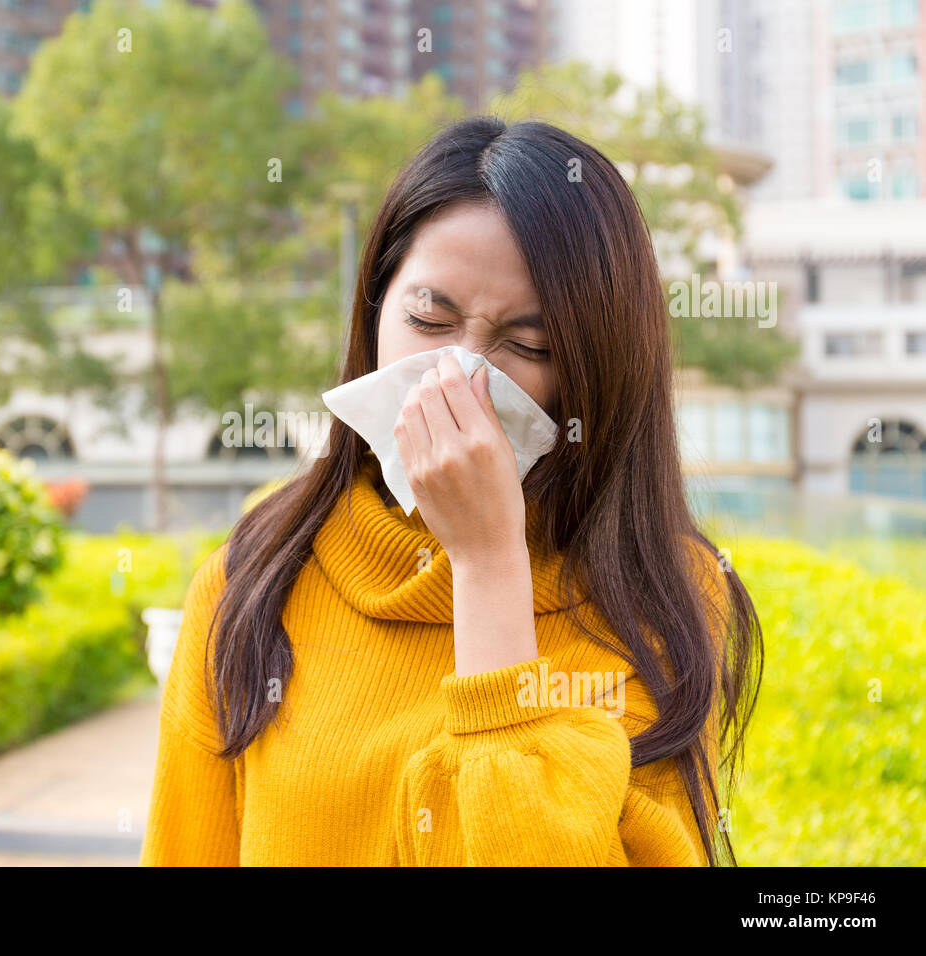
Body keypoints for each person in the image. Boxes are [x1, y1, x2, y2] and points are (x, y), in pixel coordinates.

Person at [140, 116, 763, 866]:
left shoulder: (659, 595)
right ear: (373, 310)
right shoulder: (256, 578)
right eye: (429, 318)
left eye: (528, 345)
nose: (459, 373)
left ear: (596, 369)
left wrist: (488, 562)